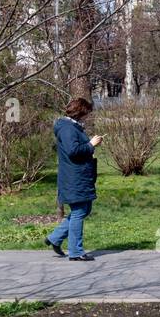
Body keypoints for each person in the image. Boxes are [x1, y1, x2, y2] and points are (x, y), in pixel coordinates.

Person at [46, 97, 103, 262]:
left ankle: (55, 238)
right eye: (87, 113)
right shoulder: (68, 129)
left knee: (84, 210)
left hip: (80, 175)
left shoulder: (71, 127)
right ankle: (76, 252)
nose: (88, 116)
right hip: (74, 177)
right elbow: (73, 151)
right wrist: (91, 144)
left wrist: (91, 144)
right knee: (79, 212)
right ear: (81, 112)